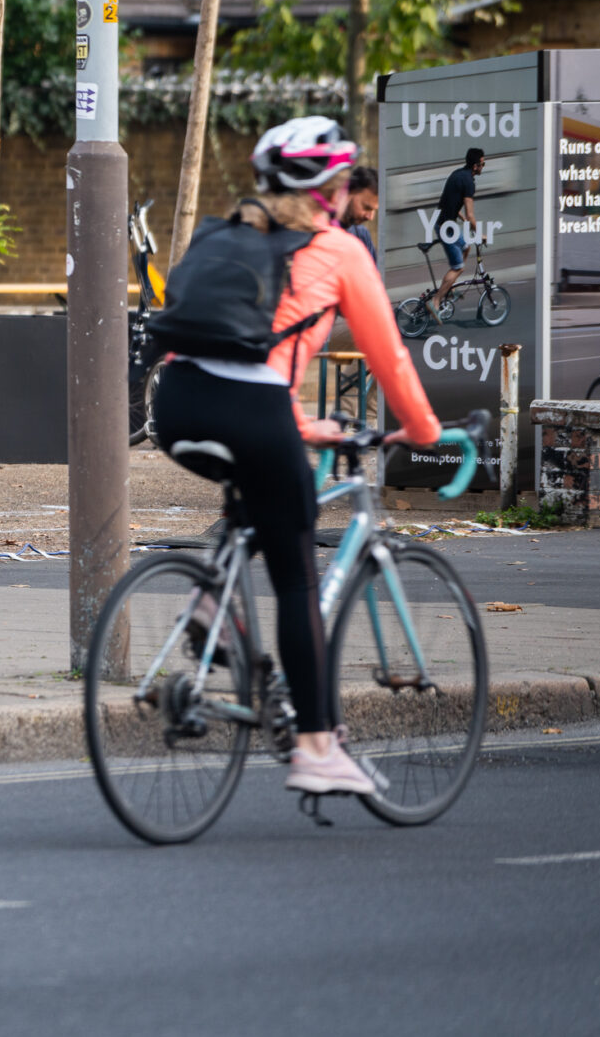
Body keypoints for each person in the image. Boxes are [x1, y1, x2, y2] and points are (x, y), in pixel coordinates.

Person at [153, 117, 444, 796]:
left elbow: (237, 344)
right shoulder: (340, 250)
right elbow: (389, 358)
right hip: (251, 410)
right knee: (295, 571)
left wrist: (299, 425)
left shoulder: (229, 233)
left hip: (178, 403)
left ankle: (208, 607)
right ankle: (316, 746)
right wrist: (425, 432)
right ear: (335, 189)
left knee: (256, 497)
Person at [429, 147, 485, 316]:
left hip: (446, 222)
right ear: (475, 166)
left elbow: (450, 201)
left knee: (466, 246)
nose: (484, 166)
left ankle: (450, 287)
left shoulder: (458, 173)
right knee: (458, 267)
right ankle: (436, 301)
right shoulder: (469, 182)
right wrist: (481, 233)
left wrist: (460, 218)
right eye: (483, 163)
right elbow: (471, 214)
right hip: (445, 227)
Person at [341, 165, 380, 264]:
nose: (370, 217)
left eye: (374, 210)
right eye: (366, 208)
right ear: (349, 192)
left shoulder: (362, 234)